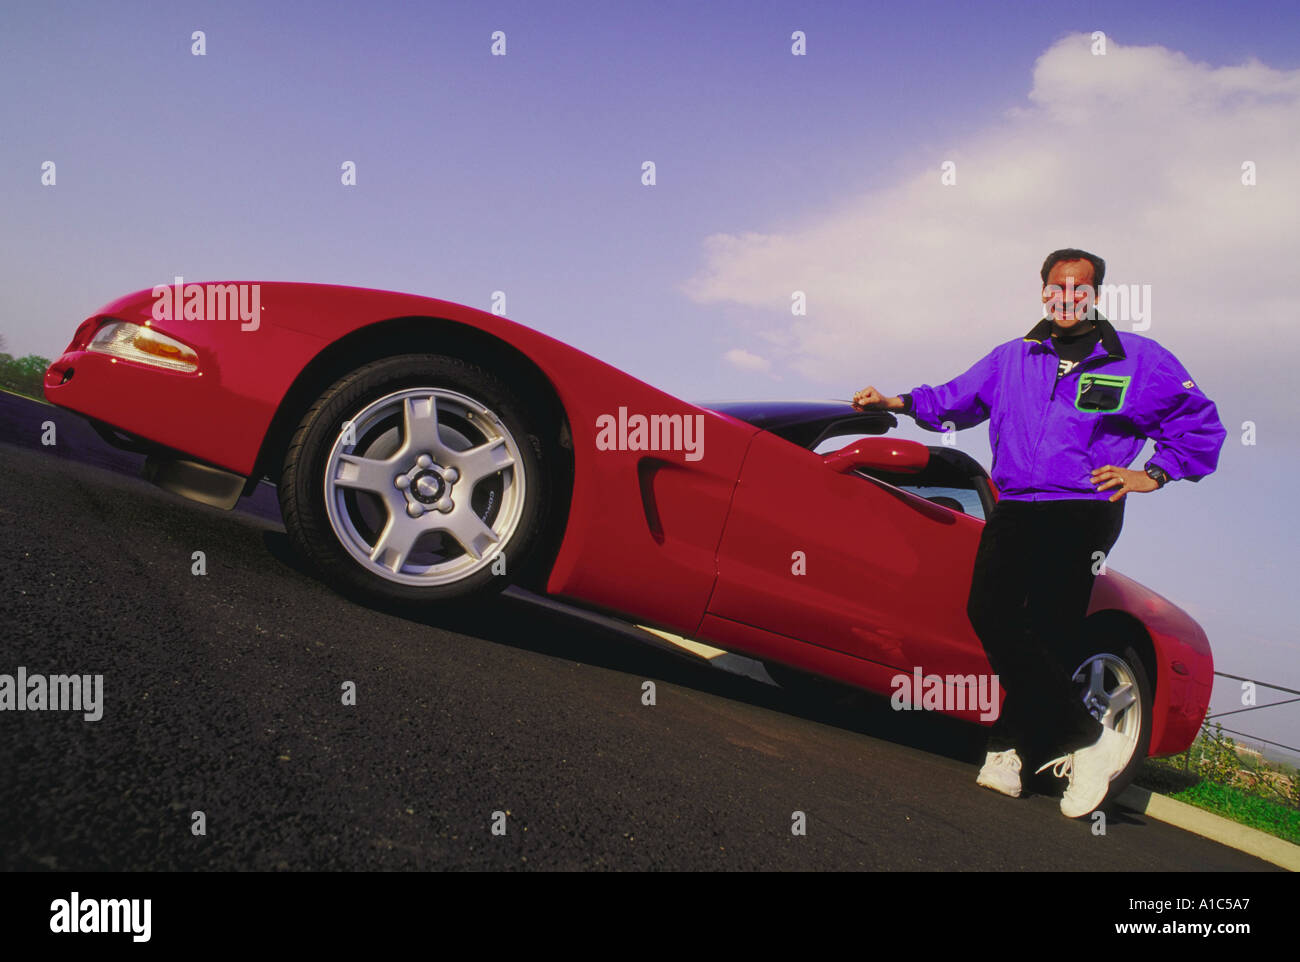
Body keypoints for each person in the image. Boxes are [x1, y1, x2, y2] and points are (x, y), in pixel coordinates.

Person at [851, 248, 1226, 817]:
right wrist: (897, 403)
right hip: (1017, 506)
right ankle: (1086, 737)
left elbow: (1199, 424)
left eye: (1080, 287)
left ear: (1096, 294)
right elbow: (956, 400)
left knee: (1049, 631)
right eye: (1056, 286)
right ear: (1043, 292)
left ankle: (1007, 751)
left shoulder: (1140, 361)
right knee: (990, 611)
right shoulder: (1014, 358)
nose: (1067, 296)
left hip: (1084, 509)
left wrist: (1152, 473)